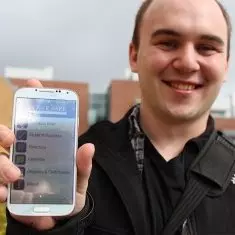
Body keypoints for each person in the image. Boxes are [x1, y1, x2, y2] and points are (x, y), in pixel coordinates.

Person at [0, 0, 234, 234]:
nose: (188, 63)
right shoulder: (75, 164)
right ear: (134, 55)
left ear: (226, 65)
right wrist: (46, 230)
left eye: (207, 47)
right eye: (168, 43)